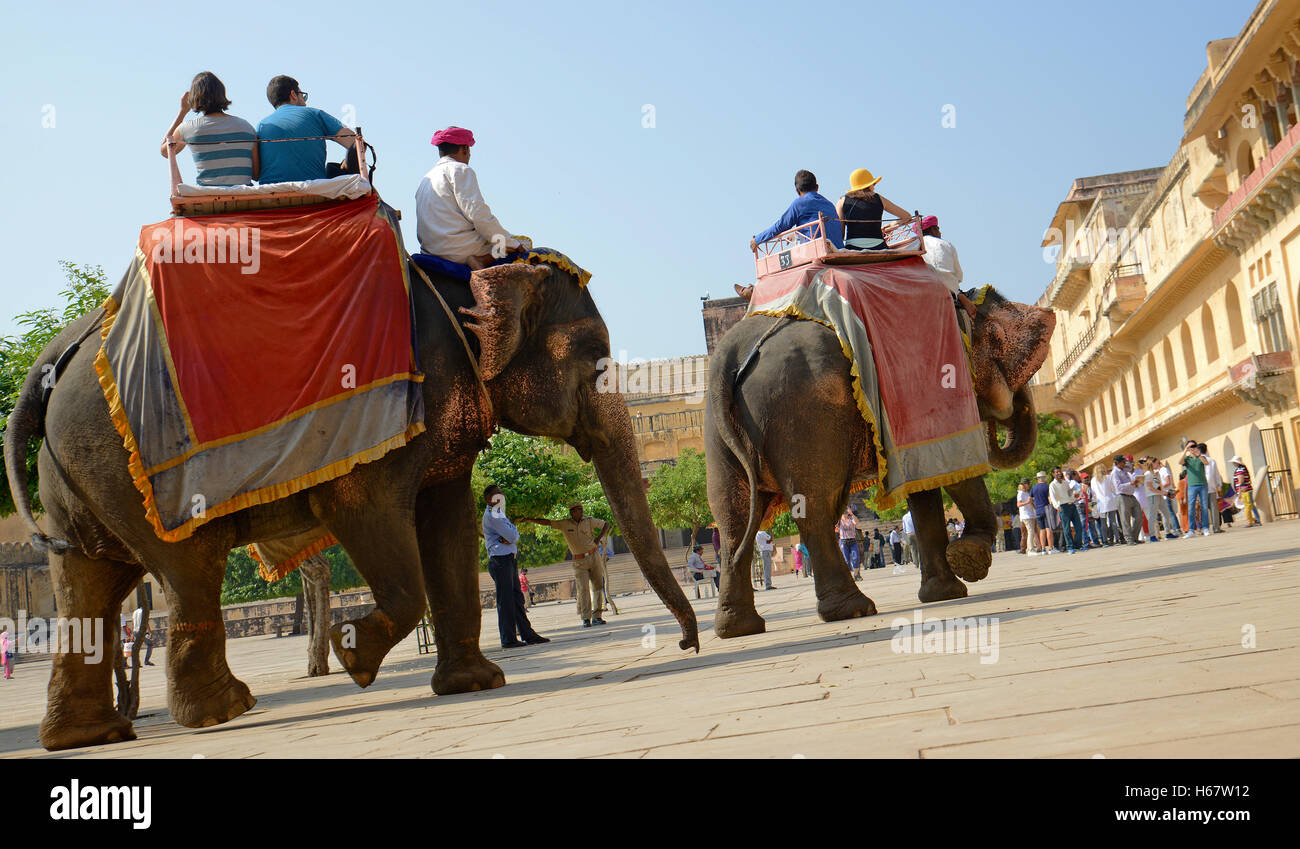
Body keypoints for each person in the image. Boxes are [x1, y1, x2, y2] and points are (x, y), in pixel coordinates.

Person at [415, 126, 529, 269]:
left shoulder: (425, 180)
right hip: (459, 250)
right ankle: (482, 260)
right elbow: (479, 216)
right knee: (524, 242)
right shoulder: (461, 170)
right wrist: (510, 242)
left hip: (431, 250)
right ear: (464, 149)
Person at [161, 72, 258, 186]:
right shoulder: (246, 127)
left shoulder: (189, 128)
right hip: (243, 197)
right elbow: (255, 174)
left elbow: (165, 151)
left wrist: (183, 111)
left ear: (194, 97)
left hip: (208, 197)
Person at [520, 503, 611, 626]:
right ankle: (586, 618)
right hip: (579, 561)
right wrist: (530, 519)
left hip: (594, 556)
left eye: (581, 509)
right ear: (572, 512)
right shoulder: (565, 524)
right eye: (578, 510)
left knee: (598, 586)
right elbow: (548, 522)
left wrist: (598, 538)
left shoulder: (589, 521)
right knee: (583, 589)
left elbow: (606, 524)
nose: (581, 511)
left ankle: (597, 616)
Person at [480, 485, 549, 648]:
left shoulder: (499, 513)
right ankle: (508, 638)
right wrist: (511, 535)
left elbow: (514, 534)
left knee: (517, 599)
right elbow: (511, 534)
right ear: (488, 499)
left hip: (509, 558)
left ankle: (527, 634)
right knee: (506, 601)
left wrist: (512, 535)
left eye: (501, 494)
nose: (500, 497)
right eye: (496, 495)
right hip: (500, 560)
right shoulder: (492, 515)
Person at [256, 75, 356, 184]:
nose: (305, 102)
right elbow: (356, 144)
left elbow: (257, 172)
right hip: (312, 191)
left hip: (270, 193)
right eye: (303, 96)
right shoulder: (314, 114)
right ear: (293, 95)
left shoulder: (262, 125)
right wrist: (344, 164)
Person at [835, 169, 912, 250]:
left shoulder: (842, 201)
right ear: (868, 185)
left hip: (853, 247)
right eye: (874, 184)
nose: (874, 187)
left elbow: (841, 233)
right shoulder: (879, 198)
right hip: (879, 247)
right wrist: (891, 225)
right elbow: (907, 216)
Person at [1181, 441, 1212, 537]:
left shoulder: (1200, 457)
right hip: (1192, 486)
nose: (1192, 448)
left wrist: (1198, 454)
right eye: (1190, 446)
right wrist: (1185, 450)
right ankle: (1191, 530)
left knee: (1204, 507)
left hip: (1203, 484)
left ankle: (1205, 528)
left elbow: (1207, 463)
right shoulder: (1187, 459)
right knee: (1191, 508)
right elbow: (1179, 462)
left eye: (1194, 446)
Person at [1111, 455, 1143, 545]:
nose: (1125, 463)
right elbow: (1118, 487)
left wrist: (1128, 461)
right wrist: (1130, 483)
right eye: (1123, 461)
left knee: (1139, 516)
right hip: (1122, 496)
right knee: (1125, 519)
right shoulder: (1115, 473)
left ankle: (1134, 537)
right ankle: (1129, 539)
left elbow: (1130, 466)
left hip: (1131, 495)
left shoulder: (1124, 469)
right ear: (1117, 463)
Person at [1048, 467, 1081, 553]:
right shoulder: (1052, 485)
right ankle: (1070, 547)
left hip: (1072, 505)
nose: (1059, 473)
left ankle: (1077, 545)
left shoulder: (1065, 482)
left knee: (1078, 526)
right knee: (1067, 528)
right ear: (1053, 474)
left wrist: (1075, 495)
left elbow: (1069, 493)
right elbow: (1052, 496)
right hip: (1063, 507)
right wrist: (1056, 505)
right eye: (1056, 472)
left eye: (1059, 472)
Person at [1199, 443, 1225, 534]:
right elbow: (1216, 475)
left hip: (1200, 487)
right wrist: (1219, 486)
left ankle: (1204, 529)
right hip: (1211, 487)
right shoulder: (1211, 460)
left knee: (1203, 509)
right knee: (1214, 509)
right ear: (1206, 450)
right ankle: (1216, 528)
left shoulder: (1197, 461)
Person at [1030, 471, 1055, 554]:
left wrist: (1034, 507)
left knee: (1042, 530)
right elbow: (1049, 499)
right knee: (1048, 529)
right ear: (1045, 478)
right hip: (1046, 509)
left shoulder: (1033, 488)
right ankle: (1051, 548)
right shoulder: (1047, 487)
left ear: (1037, 479)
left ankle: (1043, 549)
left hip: (1038, 511)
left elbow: (1030, 499)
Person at [1231, 456, 1259, 527]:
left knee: (1247, 507)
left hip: (1244, 491)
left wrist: (1240, 492)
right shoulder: (1242, 468)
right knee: (1251, 506)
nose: (1233, 463)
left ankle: (1250, 522)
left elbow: (1241, 482)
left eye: (1234, 462)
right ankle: (1256, 520)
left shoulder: (1240, 470)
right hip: (1248, 490)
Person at [1017, 478, 1040, 556]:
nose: (1029, 485)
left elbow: (1030, 503)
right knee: (1030, 532)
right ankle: (1030, 549)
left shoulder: (1026, 493)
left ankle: (1033, 547)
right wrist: (1028, 502)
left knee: (1032, 532)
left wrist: (1034, 506)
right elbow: (1018, 504)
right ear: (1025, 484)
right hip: (1026, 515)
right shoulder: (1020, 493)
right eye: (1028, 484)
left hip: (1030, 515)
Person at [838, 509, 861, 578]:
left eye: (846, 513)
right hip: (844, 542)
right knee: (846, 560)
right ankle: (848, 576)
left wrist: (852, 514)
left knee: (856, 557)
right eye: (843, 514)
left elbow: (857, 522)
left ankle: (856, 574)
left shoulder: (851, 520)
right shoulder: (840, 521)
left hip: (853, 541)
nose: (845, 515)